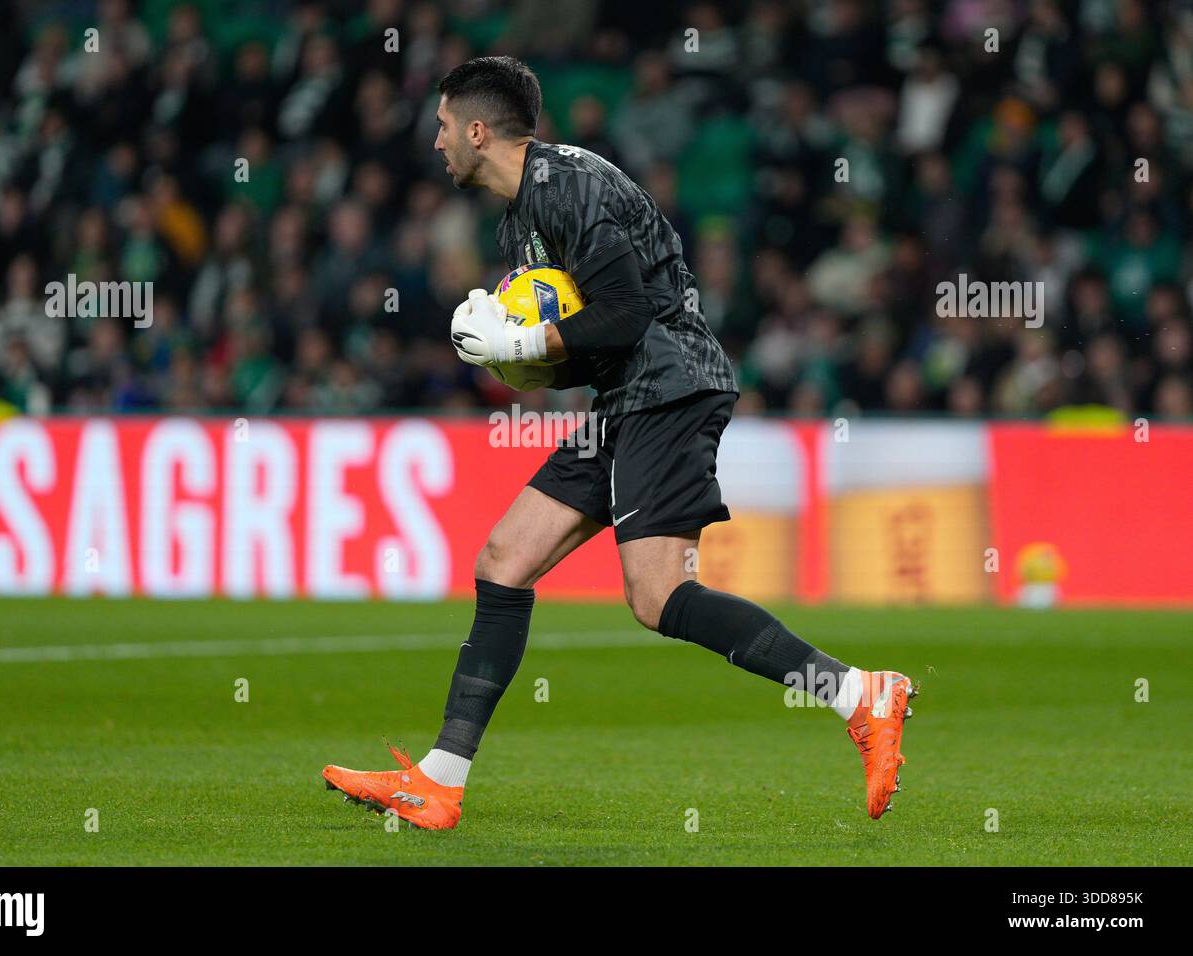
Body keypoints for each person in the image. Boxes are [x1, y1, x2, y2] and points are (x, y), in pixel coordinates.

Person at [322, 57, 915, 829]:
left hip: (670, 383)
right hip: (624, 393)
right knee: (503, 561)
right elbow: (580, 346)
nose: (435, 142)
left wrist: (530, 332)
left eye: (441, 126)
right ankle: (440, 779)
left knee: (658, 595)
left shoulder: (569, 186)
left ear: (477, 130)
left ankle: (858, 693)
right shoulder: (519, 217)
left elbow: (629, 312)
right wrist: (511, 356)